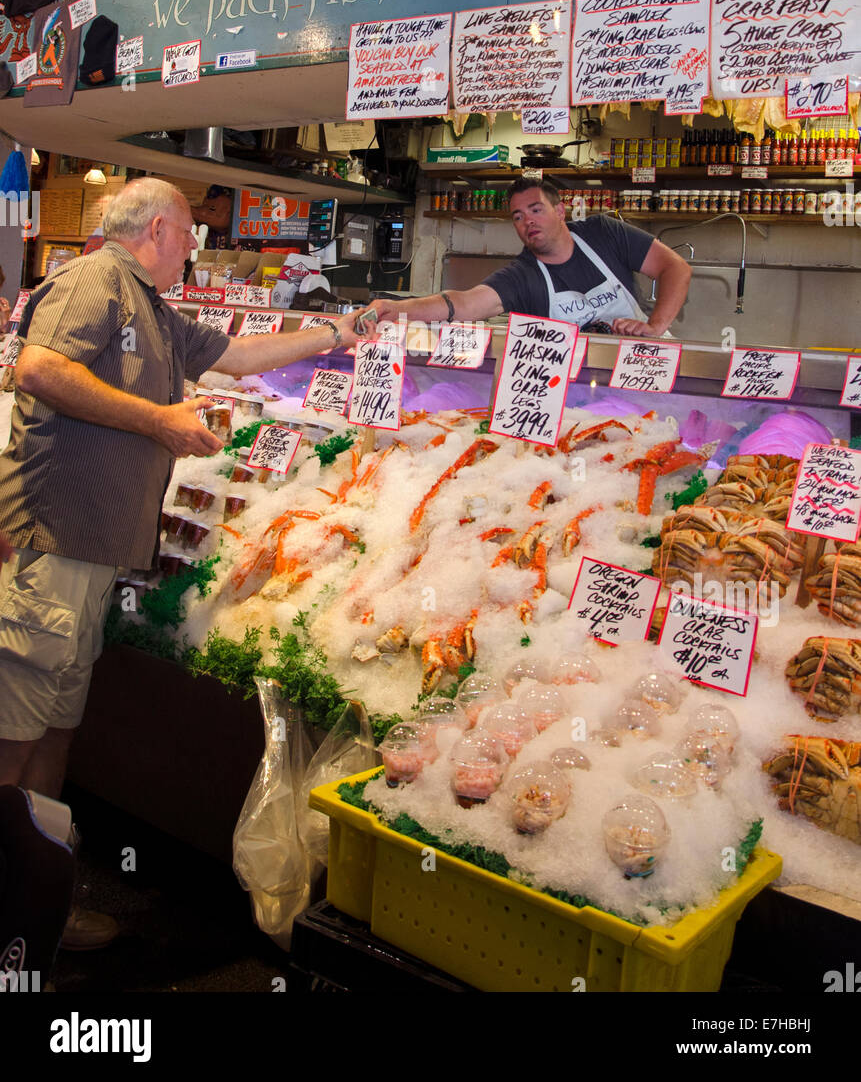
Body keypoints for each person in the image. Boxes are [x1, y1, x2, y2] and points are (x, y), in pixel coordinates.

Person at [0, 178, 361, 948]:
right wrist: (160, 419)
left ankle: (36, 904)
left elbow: (237, 353)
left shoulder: (156, 310)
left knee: (55, 729)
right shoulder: (96, 276)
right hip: (53, 545)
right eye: (191, 233)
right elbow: (39, 370)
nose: (196, 248)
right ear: (160, 229)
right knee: (12, 735)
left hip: (93, 560)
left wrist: (337, 332)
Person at [366, 178, 691, 336]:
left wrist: (654, 326)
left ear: (561, 211)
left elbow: (674, 267)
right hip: (580, 388)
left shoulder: (603, 233)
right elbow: (463, 304)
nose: (528, 221)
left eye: (536, 210)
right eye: (518, 216)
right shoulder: (523, 275)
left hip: (645, 368)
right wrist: (398, 309)